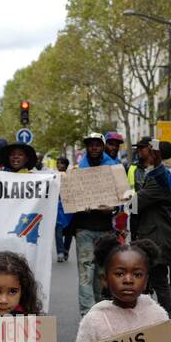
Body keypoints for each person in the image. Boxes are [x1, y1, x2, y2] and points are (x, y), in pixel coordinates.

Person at [70, 132, 119, 315]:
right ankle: (86, 315)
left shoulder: (114, 169)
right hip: (84, 228)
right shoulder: (77, 171)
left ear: (102, 146)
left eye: (97, 145)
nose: (94, 148)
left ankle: (98, 312)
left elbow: (122, 199)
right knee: (85, 274)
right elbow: (70, 197)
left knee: (101, 274)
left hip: (106, 230)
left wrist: (113, 209)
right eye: (90, 145)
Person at [128, 137, 171, 316]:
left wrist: (124, 198)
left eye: (146, 149)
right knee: (151, 283)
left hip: (157, 239)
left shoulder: (159, 179)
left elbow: (135, 204)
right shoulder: (152, 175)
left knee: (159, 284)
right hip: (152, 236)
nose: (141, 152)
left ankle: (168, 324)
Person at [55, 156, 72, 262]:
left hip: (70, 209)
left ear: (66, 165)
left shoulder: (71, 177)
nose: (58, 165)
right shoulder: (54, 177)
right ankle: (60, 252)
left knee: (69, 232)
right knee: (58, 230)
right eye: (57, 163)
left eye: (60, 163)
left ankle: (66, 250)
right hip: (58, 209)